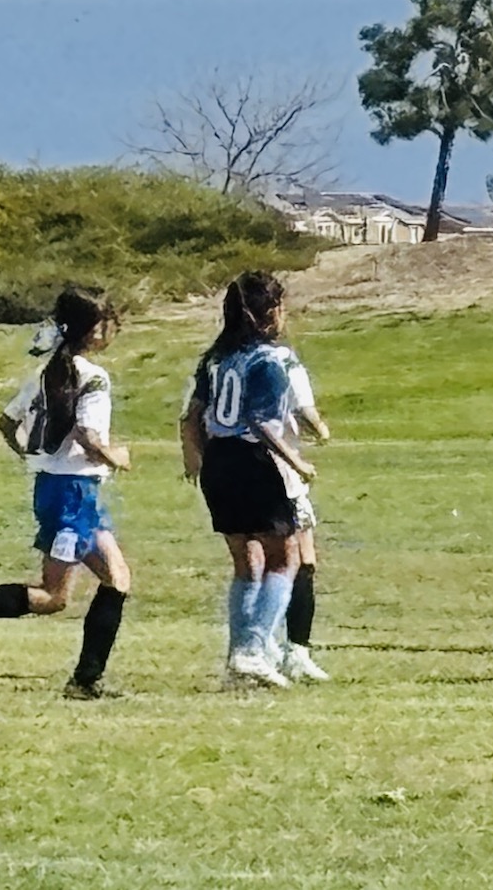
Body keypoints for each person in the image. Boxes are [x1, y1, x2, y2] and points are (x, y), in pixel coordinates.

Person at [0, 287, 133, 699]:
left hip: (57, 488)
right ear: (94, 330)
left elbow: (5, 423)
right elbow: (87, 436)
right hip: (74, 494)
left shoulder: (46, 373)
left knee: (117, 579)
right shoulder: (94, 377)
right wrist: (115, 456)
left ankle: (87, 678)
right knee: (52, 597)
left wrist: (33, 459)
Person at [184, 270, 315, 689]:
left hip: (218, 462)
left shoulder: (215, 358)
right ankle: (254, 648)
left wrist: (196, 458)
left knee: (246, 562)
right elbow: (262, 422)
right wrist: (296, 462)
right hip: (252, 460)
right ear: (269, 313)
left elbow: (193, 414)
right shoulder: (270, 360)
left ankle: (239, 657)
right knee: (284, 556)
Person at [272, 330, 335, 683]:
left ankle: (255, 645)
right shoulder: (282, 358)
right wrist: (322, 430)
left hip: (229, 467)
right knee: (300, 560)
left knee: (254, 560)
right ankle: (294, 650)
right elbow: (303, 407)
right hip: (280, 470)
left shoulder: (219, 358)